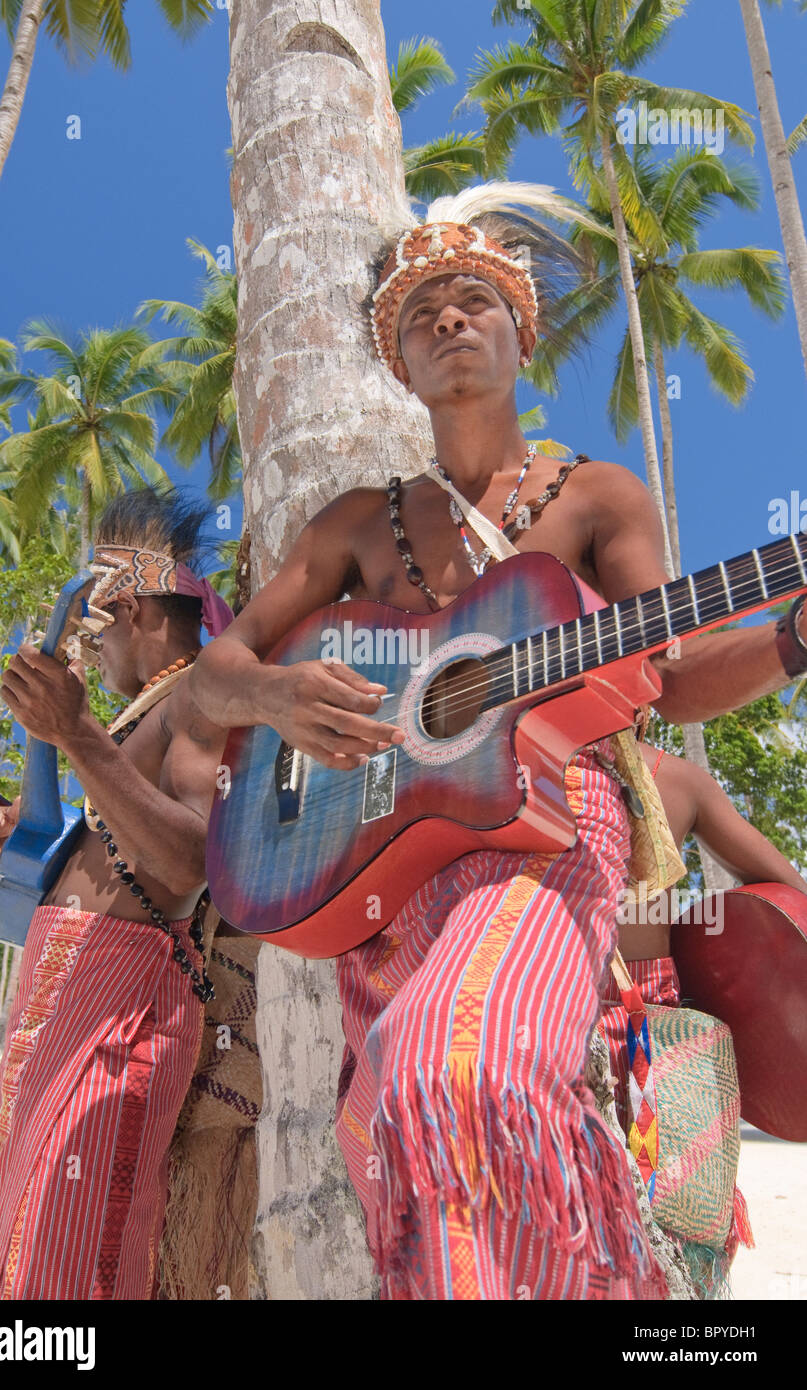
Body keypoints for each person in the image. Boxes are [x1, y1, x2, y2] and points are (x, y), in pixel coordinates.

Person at [189, 186, 807, 1300]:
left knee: (456, 1061)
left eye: (475, 301)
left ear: (522, 336)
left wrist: (793, 638)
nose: (449, 321)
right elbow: (210, 678)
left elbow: (668, 678)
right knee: (399, 1141)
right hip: (376, 865)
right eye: (421, 312)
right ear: (397, 363)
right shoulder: (351, 524)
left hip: (551, 826)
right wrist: (277, 696)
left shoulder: (594, 496)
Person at [0, 488, 233, 1300]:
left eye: (91, 628)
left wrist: (72, 733)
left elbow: (188, 859)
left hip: (121, 1006)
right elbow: (113, 829)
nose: (86, 651)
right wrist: (11, 823)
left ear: (133, 610)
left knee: (73, 1256)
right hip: (67, 1001)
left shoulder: (202, 695)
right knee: (16, 1243)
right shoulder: (136, 721)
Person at [600, 738, 807, 1290]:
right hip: (660, 1037)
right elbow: (788, 891)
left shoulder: (520, 765)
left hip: (552, 1020)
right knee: (682, 1225)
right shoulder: (680, 780)